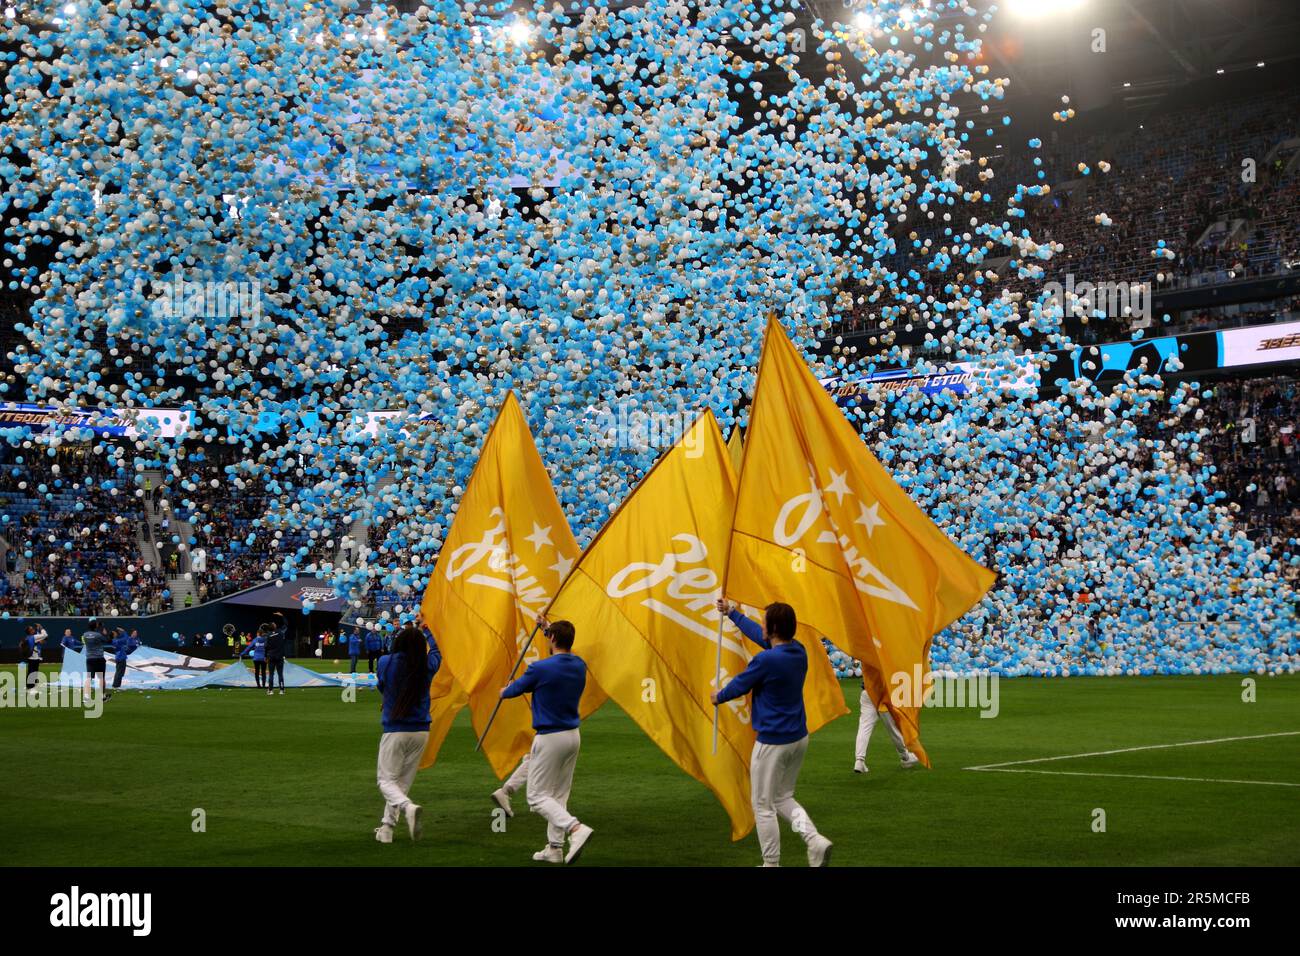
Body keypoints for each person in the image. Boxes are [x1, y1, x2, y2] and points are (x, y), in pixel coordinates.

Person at [712, 598, 833, 868]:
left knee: (763, 805)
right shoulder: (798, 651)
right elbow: (759, 636)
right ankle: (814, 840)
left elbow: (740, 685)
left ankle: (771, 863)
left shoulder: (766, 660)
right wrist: (733, 613)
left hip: (772, 742)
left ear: (774, 628)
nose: (762, 625)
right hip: (798, 738)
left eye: (765, 621)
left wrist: (718, 696)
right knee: (783, 797)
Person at [499, 614, 594, 865]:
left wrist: (504, 689)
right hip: (572, 736)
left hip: (550, 736)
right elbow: (559, 650)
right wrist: (546, 627)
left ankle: (576, 829)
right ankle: (555, 848)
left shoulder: (539, 668)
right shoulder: (579, 664)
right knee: (558, 795)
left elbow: (512, 691)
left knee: (538, 796)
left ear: (552, 639)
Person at [374, 621, 443, 844]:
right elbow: (437, 652)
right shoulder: (427, 665)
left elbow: (382, 686)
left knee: (386, 781)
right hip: (421, 730)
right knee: (401, 783)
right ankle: (387, 828)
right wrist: (428, 629)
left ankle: (406, 807)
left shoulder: (387, 662)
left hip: (396, 729)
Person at [854, 680, 919, 773]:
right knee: (893, 728)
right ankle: (905, 757)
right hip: (885, 693)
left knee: (864, 727)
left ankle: (859, 761)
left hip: (867, 691)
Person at [81, 617, 110, 701]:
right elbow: (107, 640)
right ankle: (102, 696)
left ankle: (86, 697)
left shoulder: (85, 634)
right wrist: (104, 632)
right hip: (99, 658)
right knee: (101, 677)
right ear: (95, 626)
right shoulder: (98, 635)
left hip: (89, 658)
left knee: (89, 678)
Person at [263, 612, 288, 695]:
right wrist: (282, 616)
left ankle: (270, 690)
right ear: (274, 626)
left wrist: (265, 656)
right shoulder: (281, 632)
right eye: (274, 623)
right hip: (280, 656)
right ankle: (281, 690)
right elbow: (286, 624)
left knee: (271, 674)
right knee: (280, 674)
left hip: (271, 657)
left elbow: (266, 647)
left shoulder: (268, 636)